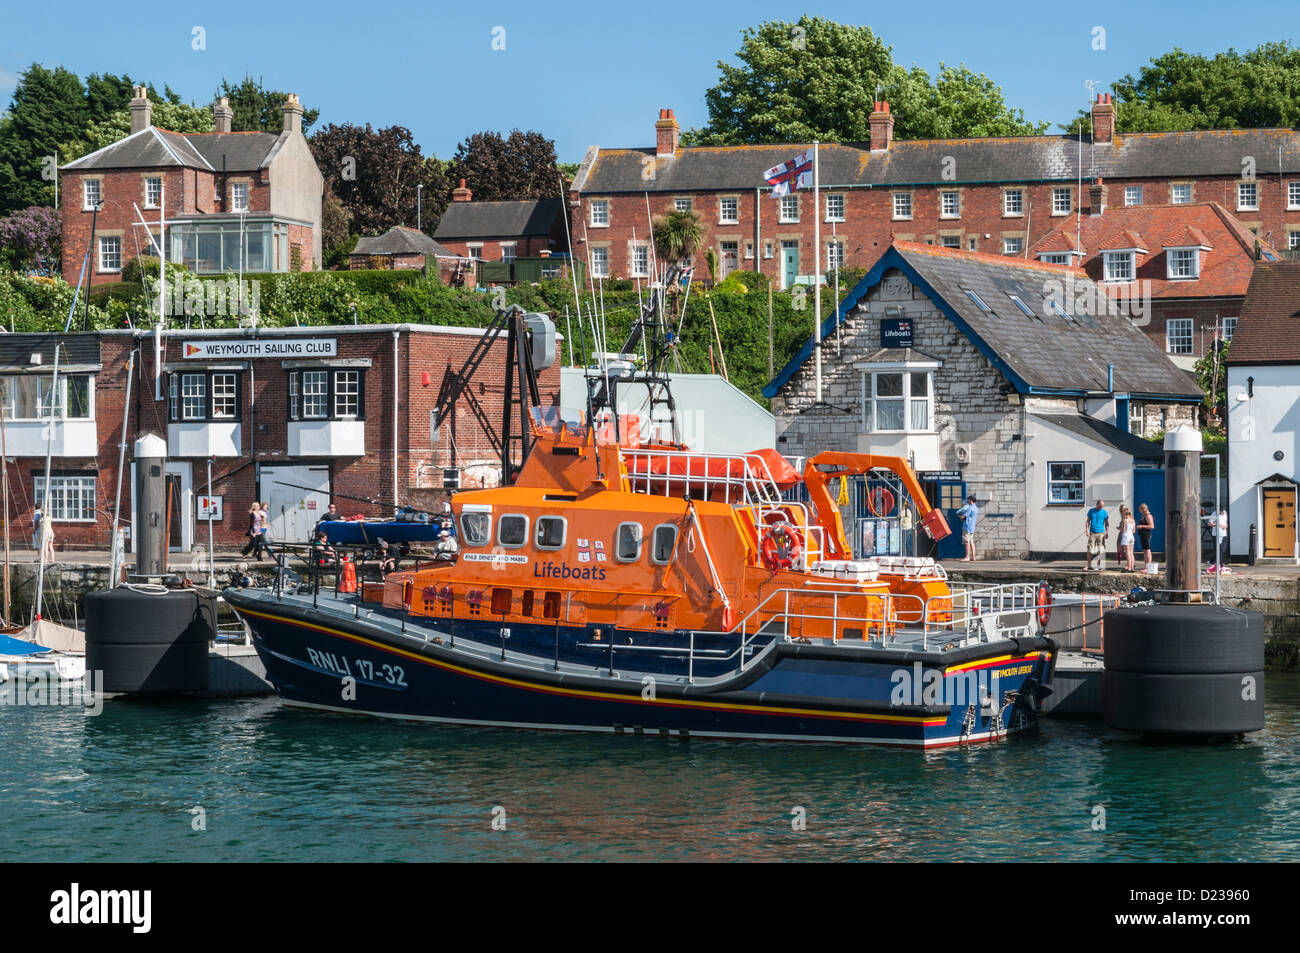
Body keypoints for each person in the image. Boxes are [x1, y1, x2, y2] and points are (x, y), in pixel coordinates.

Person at [1085, 498, 1109, 571]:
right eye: (1100, 506)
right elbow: (1087, 522)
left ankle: (1098, 566)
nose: (1101, 507)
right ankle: (1089, 566)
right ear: (1097, 504)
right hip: (1092, 533)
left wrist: (1107, 531)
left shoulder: (1104, 512)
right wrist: (1087, 530)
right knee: (1090, 549)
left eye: (1102, 506)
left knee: (1100, 550)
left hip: (1101, 533)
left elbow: (1106, 523)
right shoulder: (1091, 511)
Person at [955, 495, 979, 562]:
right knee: (971, 542)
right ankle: (973, 556)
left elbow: (964, 517)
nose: (967, 501)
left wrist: (959, 516)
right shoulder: (976, 508)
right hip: (972, 527)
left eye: (968, 500)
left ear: (971, 500)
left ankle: (967, 557)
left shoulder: (970, 508)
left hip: (967, 527)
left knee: (967, 542)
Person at [1209, 508, 1230, 574]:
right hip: (1216, 534)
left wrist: (1225, 526)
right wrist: (1217, 525)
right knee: (1219, 549)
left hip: (1224, 534)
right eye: (1220, 512)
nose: (1222, 513)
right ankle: (1220, 564)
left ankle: (1212, 560)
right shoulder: (1214, 514)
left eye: (1222, 512)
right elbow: (1209, 524)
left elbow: (1226, 523)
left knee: (1223, 549)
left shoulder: (1225, 513)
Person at [1118, 505, 1136, 571]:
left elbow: (1123, 530)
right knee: (1131, 552)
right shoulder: (1133, 521)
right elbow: (1134, 531)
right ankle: (1132, 567)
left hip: (1126, 537)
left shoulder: (1125, 520)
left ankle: (1129, 567)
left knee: (1127, 552)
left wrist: (1120, 528)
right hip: (1131, 537)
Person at [1137, 503, 1155, 569]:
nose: (1140, 512)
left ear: (1143, 509)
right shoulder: (1144, 516)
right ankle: (1146, 566)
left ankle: (1148, 567)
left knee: (1147, 551)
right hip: (1142, 535)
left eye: (1140, 510)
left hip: (1146, 535)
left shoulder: (1148, 516)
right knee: (1145, 551)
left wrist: (1142, 526)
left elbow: (1152, 526)